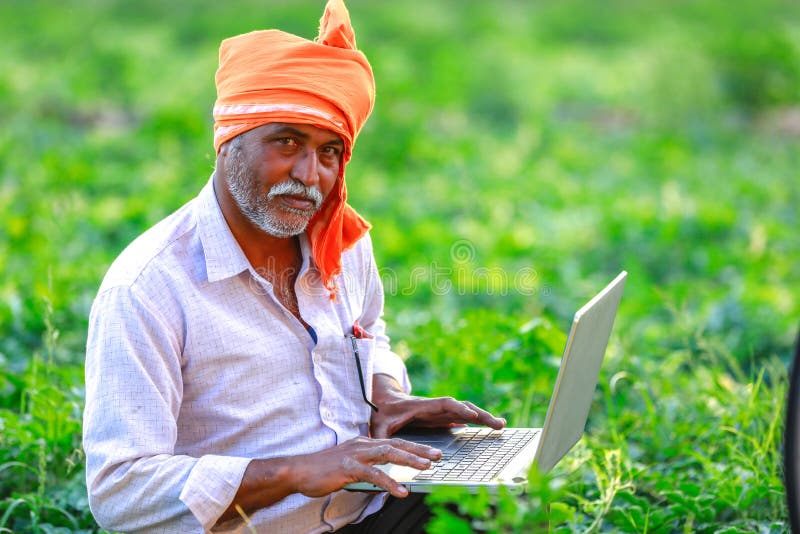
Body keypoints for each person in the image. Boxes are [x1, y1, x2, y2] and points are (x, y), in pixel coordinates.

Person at [82, 1, 505, 532]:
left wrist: (386, 394)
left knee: (507, 509)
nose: (310, 175)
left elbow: (368, 332)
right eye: (287, 142)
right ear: (229, 142)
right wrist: (291, 472)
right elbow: (121, 492)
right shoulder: (148, 289)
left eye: (330, 151)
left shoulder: (342, 245)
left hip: (368, 507)